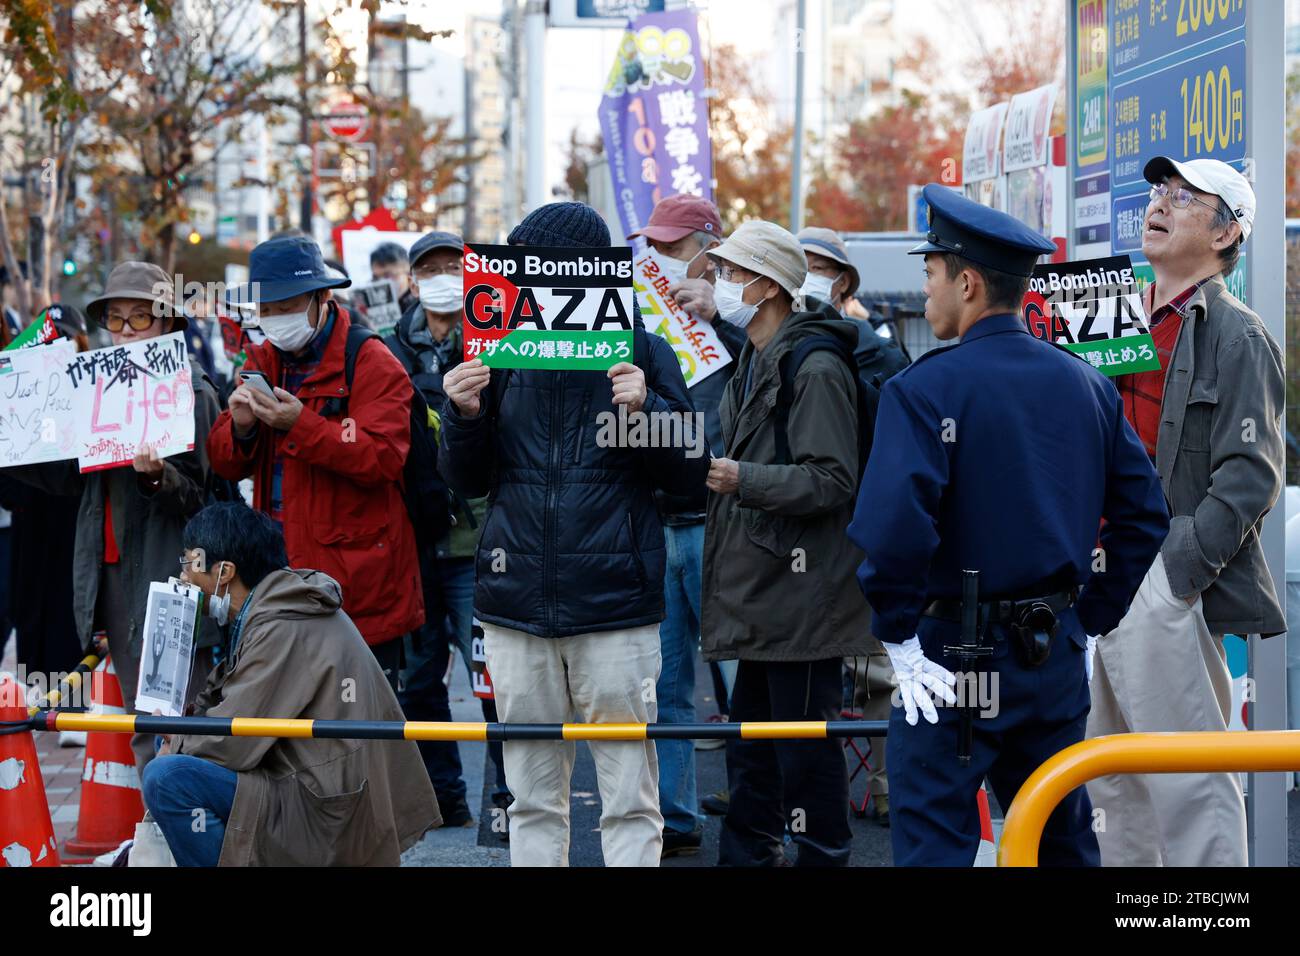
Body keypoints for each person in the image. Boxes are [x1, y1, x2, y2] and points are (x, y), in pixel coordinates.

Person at [847, 184, 1170, 866]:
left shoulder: (924, 389)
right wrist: (1089, 620)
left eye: (930, 276)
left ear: (967, 283)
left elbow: (894, 528)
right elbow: (1144, 516)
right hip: (1049, 650)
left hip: (947, 653)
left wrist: (898, 635)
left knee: (936, 844)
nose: (926, 293)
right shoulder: (1085, 384)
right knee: (1060, 844)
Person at [438, 201, 708, 867]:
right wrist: (463, 413)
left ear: (590, 275)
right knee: (530, 796)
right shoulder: (493, 349)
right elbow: (466, 481)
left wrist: (650, 410)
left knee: (630, 797)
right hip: (514, 606)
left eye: (535, 263)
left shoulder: (642, 350)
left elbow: (689, 477)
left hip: (616, 606)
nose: (524, 276)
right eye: (520, 263)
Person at [1086, 157, 1286, 867]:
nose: (1158, 204)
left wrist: (1176, 574)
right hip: (1094, 571)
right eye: (1158, 192)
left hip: (1156, 576)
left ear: (1228, 229)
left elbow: (1252, 475)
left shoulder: (1237, 333)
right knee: (1107, 780)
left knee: (1189, 781)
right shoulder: (1111, 314)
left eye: (1184, 197)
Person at [699, 220, 872, 867]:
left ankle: (821, 856)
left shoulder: (815, 364)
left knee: (802, 749)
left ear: (767, 286)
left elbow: (832, 480)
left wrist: (743, 479)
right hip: (770, 590)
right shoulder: (755, 353)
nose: (721, 284)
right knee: (755, 745)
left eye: (731, 273)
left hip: (803, 594)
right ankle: (750, 854)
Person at [4, 264, 222, 776]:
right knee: (141, 722)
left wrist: (157, 477)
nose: (125, 331)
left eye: (139, 319)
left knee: (183, 720)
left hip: (173, 581)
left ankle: (189, 837)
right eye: (116, 320)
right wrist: (15, 441)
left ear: (168, 324)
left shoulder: (194, 391)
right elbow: (68, 479)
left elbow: (209, 502)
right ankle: (160, 836)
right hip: (112, 580)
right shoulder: (94, 390)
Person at [141, 502, 439, 866]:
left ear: (224, 571)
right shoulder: (273, 608)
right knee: (170, 745)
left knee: (167, 778)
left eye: (189, 565)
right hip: (314, 785)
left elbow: (234, 741)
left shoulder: (282, 624)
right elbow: (231, 696)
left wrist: (177, 743)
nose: (184, 577)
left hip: (324, 809)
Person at [209, 236, 423, 691]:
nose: (274, 319)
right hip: (278, 577)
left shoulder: (371, 360)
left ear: (323, 297)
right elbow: (226, 463)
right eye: (265, 309)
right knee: (289, 722)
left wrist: (300, 424)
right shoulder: (262, 358)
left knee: (361, 725)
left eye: (286, 305)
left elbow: (382, 456)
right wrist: (242, 427)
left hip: (356, 582)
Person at [626, 194, 744, 856]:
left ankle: (757, 809)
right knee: (665, 684)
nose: (661, 259)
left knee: (738, 676)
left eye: (673, 247)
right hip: (658, 519)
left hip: (722, 521)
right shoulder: (638, 312)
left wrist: (720, 317)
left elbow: (769, 383)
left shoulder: (742, 315)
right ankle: (675, 816)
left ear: (709, 245)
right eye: (656, 247)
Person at [383, 229, 504, 826]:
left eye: (453, 266)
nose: (442, 277)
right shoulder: (386, 349)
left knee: (494, 678)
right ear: (412, 280)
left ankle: (506, 802)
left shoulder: (499, 335)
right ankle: (442, 798)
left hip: (482, 539)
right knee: (422, 678)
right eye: (429, 268)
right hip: (416, 541)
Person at [798, 224, 908, 826]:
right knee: (800, 664)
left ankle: (889, 787)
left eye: (819, 265)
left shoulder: (872, 340)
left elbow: (897, 386)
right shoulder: (772, 340)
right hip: (798, 527)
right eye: (802, 263)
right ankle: (799, 797)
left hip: (861, 519)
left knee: (874, 668)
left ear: (842, 281)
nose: (809, 274)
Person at [370, 241, 418, 315]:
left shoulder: (421, 306)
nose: (381, 282)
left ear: (408, 274)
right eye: (376, 278)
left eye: (388, 276)